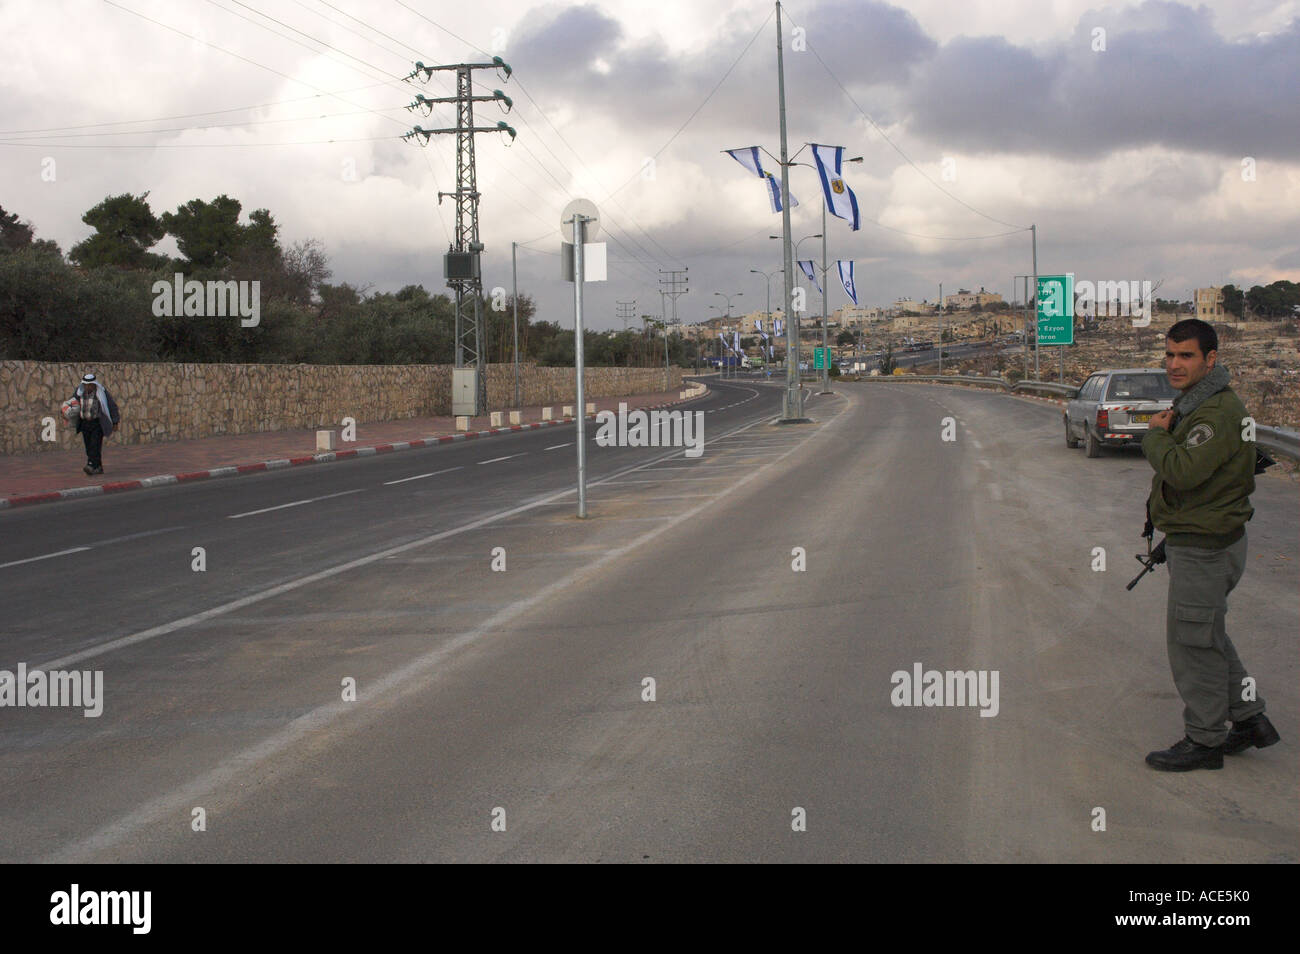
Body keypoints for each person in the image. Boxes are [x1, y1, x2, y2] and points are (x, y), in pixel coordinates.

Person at [1141, 319, 1279, 771]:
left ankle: (1204, 741)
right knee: (1208, 633)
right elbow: (1199, 489)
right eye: (1170, 354)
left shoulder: (1215, 412)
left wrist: (1156, 435)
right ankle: (1249, 718)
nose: (1175, 364)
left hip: (1206, 548)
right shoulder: (1198, 404)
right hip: (1201, 538)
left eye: (1186, 356)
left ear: (1211, 359)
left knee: (1193, 643)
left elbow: (1181, 471)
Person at [69, 372, 120, 476]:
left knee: (95, 445)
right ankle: (98, 467)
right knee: (89, 446)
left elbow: (112, 406)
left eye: (90, 385)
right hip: (84, 423)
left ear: (94, 384)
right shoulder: (79, 393)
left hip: (97, 423)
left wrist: (115, 421)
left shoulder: (101, 393)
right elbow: (73, 404)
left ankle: (91, 465)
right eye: (86, 385)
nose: (88, 387)